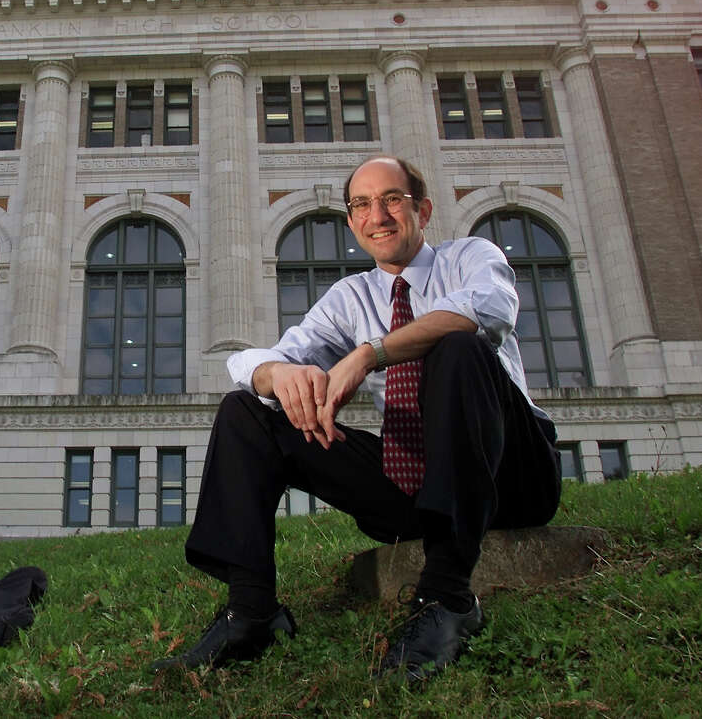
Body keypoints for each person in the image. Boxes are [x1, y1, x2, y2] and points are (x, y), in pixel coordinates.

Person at [151, 155, 561, 682]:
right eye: (362, 205)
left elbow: (488, 310)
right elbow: (252, 363)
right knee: (246, 410)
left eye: (392, 199)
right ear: (351, 222)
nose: (379, 216)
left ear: (423, 208)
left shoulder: (469, 257)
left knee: (457, 348)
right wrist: (279, 376)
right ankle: (252, 611)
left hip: (513, 476)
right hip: (417, 484)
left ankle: (448, 597)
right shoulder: (352, 296)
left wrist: (368, 354)